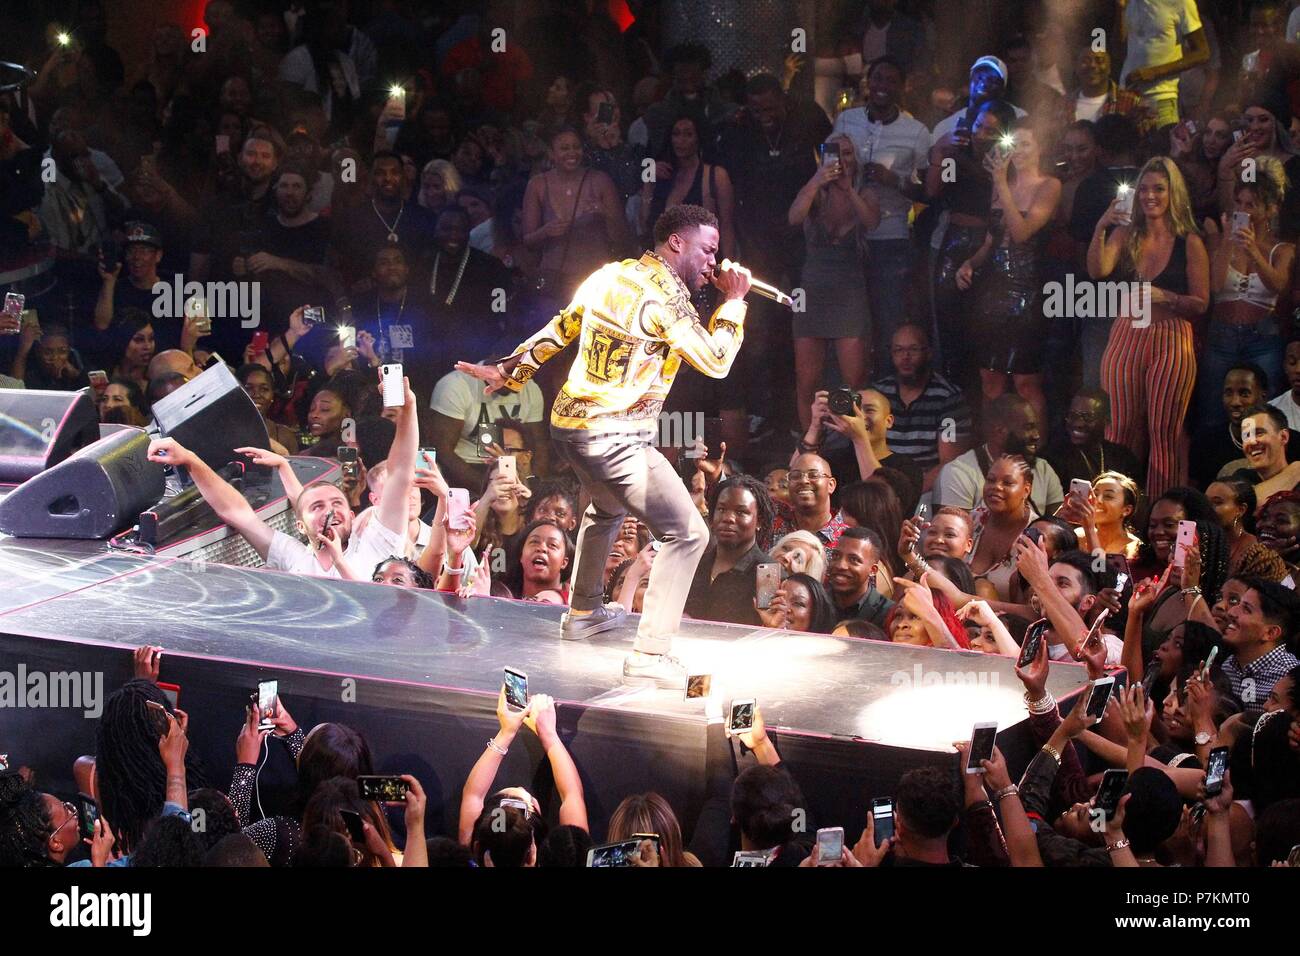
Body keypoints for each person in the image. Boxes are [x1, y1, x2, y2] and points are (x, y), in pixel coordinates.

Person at [456, 204, 752, 687]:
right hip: (615, 433)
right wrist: (736, 301)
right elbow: (716, 361)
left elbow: (561, 327)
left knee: (607, 511)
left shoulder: (608, 277)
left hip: (568, 425)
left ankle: (583, 613)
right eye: (708, 250)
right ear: (676, 243)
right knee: (689, 534)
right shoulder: (664, 302)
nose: (713, 262)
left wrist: (512, 370)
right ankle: (651, 654)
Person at [144, 370, 417, 580]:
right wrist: (191, 460)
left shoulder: (376, 543)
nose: (330, 512)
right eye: (317, 506)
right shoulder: (293, 556)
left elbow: (401, 472)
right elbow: (237, 511)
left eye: (336, 504)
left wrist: (409, 410)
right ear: (300, 525)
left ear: (352, 516)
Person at [1089, 156, 1209, 498]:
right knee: (1118, 428)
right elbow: (1098, 270)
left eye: (1158, 188)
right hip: (1126, 333)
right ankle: (1112, 508)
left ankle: (1162, 516)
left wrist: (1166, 295)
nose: (1149, 196)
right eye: (1143, 189)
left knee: (1164, 432)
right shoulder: (1126, 233)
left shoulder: (1190, 241)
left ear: (1174, 193)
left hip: (1171, 337)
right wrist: (1102, 225)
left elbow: (1201, 302)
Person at [957, 122, 1060, 427]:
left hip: (1028, 289)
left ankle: (1034, 455)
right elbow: (992, 239)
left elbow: (1021, 232)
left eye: (1026, 144)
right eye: (1014, 144)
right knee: (990, 378)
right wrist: (970, 264)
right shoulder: (1000, 184)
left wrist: (1001, 183)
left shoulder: (1049, 185)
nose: (1019, 151)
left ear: (1040, 148)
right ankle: (994, 449)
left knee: (1026, 382)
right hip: (993, 290)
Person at [830, 55, 929, 353]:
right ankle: (851, 392)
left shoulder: (917, 132)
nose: (882, 86)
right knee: (850, 321)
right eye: (877, 79)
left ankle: (887, 392)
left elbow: (928, 192)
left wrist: (894, 180)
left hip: (890, 238)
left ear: (902, 87)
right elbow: (829, 162)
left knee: (888, 319)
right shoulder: (847, 119)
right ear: (867, 84)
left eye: (890, 80)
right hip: (848, 235)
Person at [786, 135, 879, 429]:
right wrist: (817, 179)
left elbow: (871, 221)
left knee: (854, 381)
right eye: (835, 153)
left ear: (856, 157)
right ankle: (809, 444)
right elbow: (794, 217)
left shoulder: (865, 190)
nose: (843, 159)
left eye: (848, 153)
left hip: (849, 290)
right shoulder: (813, 190)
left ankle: (856, 445)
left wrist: (848, 189)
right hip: (812, 290)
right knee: (807, 382)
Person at [521, 126, 627, 307]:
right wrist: (546, 232)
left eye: (576, 147)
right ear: (551, 153)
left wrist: (604, 213)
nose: (572, 153)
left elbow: (622, 238)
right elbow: (528, 241)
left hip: (595, 281)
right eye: (564, 148)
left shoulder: (600, 181)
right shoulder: (538, 185)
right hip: (553, 284)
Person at [871, 323, 973, 492]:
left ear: (928, 353)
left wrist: (910, 495)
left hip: (925, 487)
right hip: (879, 485)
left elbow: (949, 461)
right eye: (898, 350)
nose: (905, 357)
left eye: (914, 349)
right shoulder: (878, 394)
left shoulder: (948, 397)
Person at [936, 394, 1063, 515]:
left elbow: (1059, 528)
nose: (1036, 435)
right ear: (1000, 431)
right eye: (1028, 427)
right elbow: (954, 532)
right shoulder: (959, 473)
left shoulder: (1043, 468)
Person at [639, 113, 735, 259]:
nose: (680, 141)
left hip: (701, 264)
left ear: (699, 138)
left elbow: (727, 226)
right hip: (663, 263)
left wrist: (728, 266)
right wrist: (649, 178)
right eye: (676, 134)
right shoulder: (660, 171)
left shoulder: (716, 175)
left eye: (688, 134)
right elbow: (644, 222)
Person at [685, 475, 773, 627]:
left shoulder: (767, 573)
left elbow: (769, 626)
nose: (728, 518)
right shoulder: (694, 564)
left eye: (741, 512)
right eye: (721, 509)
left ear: (759, 521)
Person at [1119, 0, 1210, 133]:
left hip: (1161, 98)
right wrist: (1120, 10)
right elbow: (1119, 50)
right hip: (1128, 97)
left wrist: (1154, 72)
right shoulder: (1131, 3)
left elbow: (1203, 52)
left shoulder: (1181, 2)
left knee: (1159, 149)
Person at [1220, 578, 1300, 719]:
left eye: (1246, 609)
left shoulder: (1289, 678)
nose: (1231, 612)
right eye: (1237, 604)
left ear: (1270, 633)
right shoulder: (1228, 665)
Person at [1046, 388, 1143, 488]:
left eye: (1088, 417)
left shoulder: (1122, 457)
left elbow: (1137, 499)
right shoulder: (1052, 458)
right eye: (1073, 415)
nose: (1078, 423)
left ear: (1106, 420)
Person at [1205, 477, 1288, 580]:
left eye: (1217, 502)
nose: (1207, 508)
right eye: (1205, 502)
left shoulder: (1256, 554)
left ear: (1241, 510)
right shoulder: (1202, 543)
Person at [826, 526, 895, 626]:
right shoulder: (816, 602)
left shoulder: (887, 614)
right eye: (836, 556)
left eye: (853, 560)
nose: (840, 565)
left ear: (873, 570)